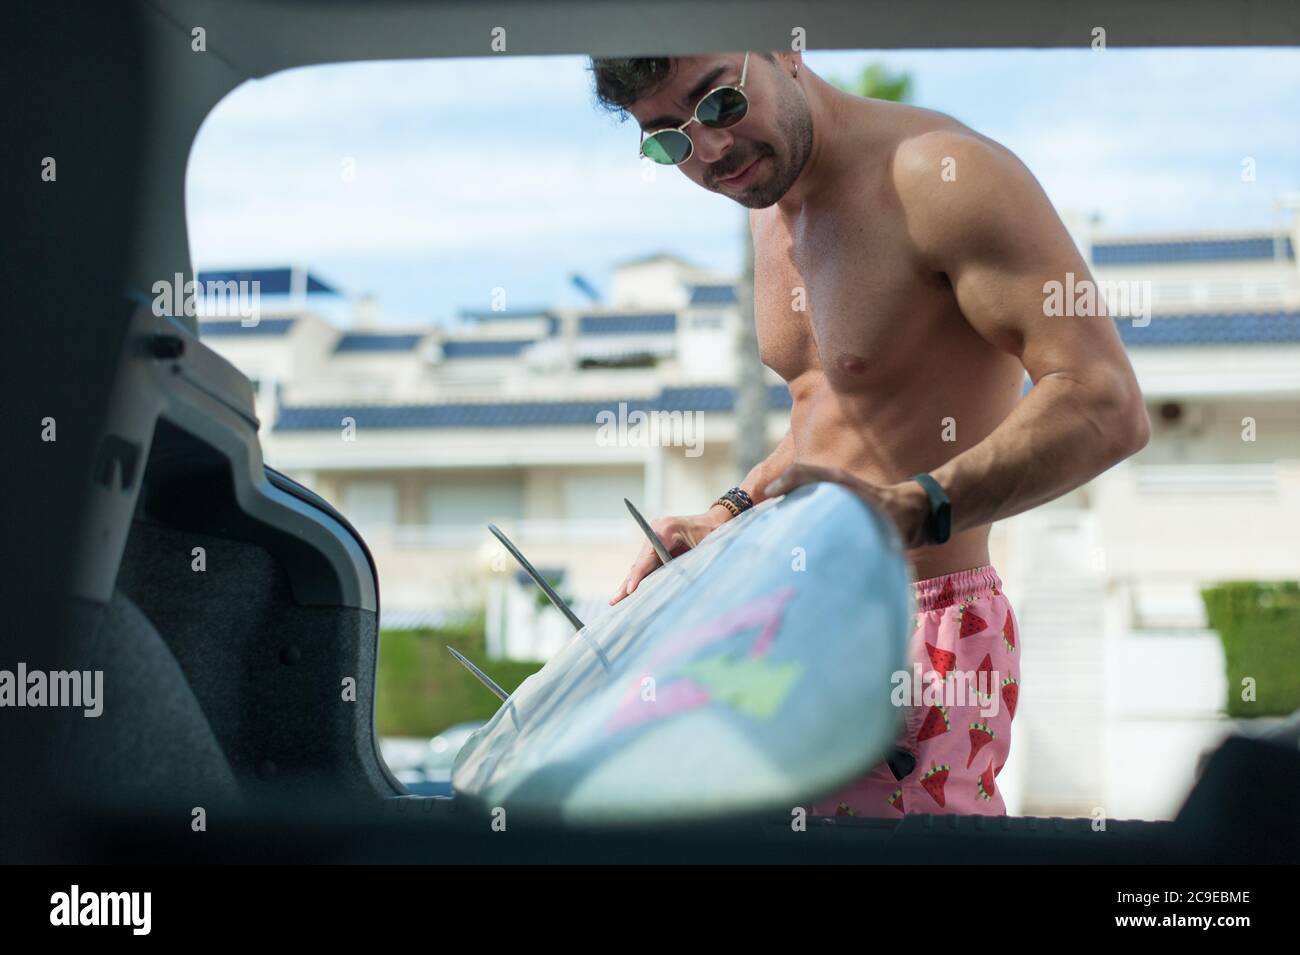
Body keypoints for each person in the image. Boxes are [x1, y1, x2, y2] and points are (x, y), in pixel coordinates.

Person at [589, 51, 1149, 816]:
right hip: (791, 623)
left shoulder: (943, 177)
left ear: (784, 49)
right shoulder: (767, 202)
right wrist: (728, 511)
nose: (711, 151)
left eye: (718, 103)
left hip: (917, 624)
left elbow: (1104, 401)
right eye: (670, 141)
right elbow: (836, 413)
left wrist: (908, 511)